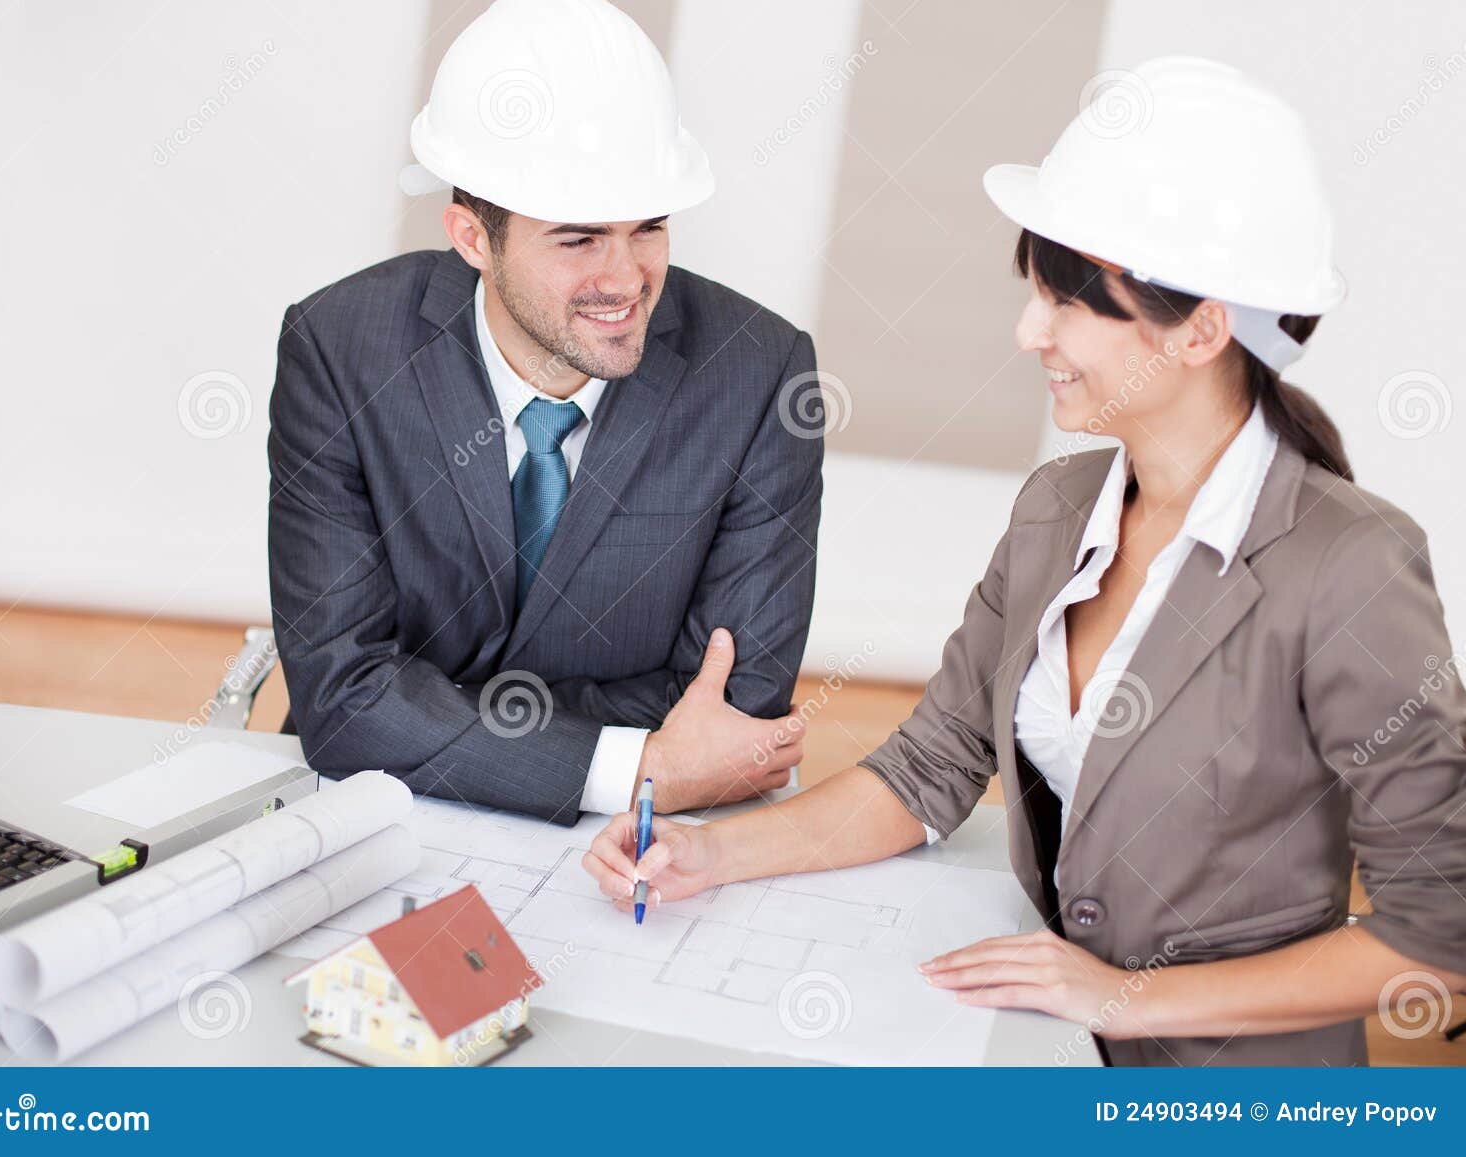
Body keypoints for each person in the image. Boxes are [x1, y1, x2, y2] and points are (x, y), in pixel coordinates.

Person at [582, 57, 1466, 1065]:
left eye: (1068, 304)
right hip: (1041, 1041)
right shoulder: (1057, 510)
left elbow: (1434, 937)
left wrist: (1123, 998)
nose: (1027, 331)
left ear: (1201, 331)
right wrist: (709, 850)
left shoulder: (1352, 562)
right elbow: (929, 768)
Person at [268, 0, 822, 824]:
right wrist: (632, 766)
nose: (627, 277)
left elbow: (733, 705)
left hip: (630, 845)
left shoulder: (760, 375)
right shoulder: (341, 351)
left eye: (648, 228)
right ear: (471, 238)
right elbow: (343, 694)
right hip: (381, 810)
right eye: (578, 239)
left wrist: (424, 706)